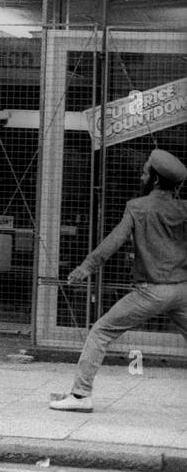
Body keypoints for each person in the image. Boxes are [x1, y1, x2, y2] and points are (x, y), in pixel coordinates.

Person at [50, 148, 187, 412]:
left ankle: (80, 396)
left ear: (155, 179)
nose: (141, 174)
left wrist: (86, 267)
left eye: (146, 170)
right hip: (182, 290)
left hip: (151, 292)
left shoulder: (137, 208)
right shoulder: (183, 209)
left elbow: (113, 242)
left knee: (100, 332)